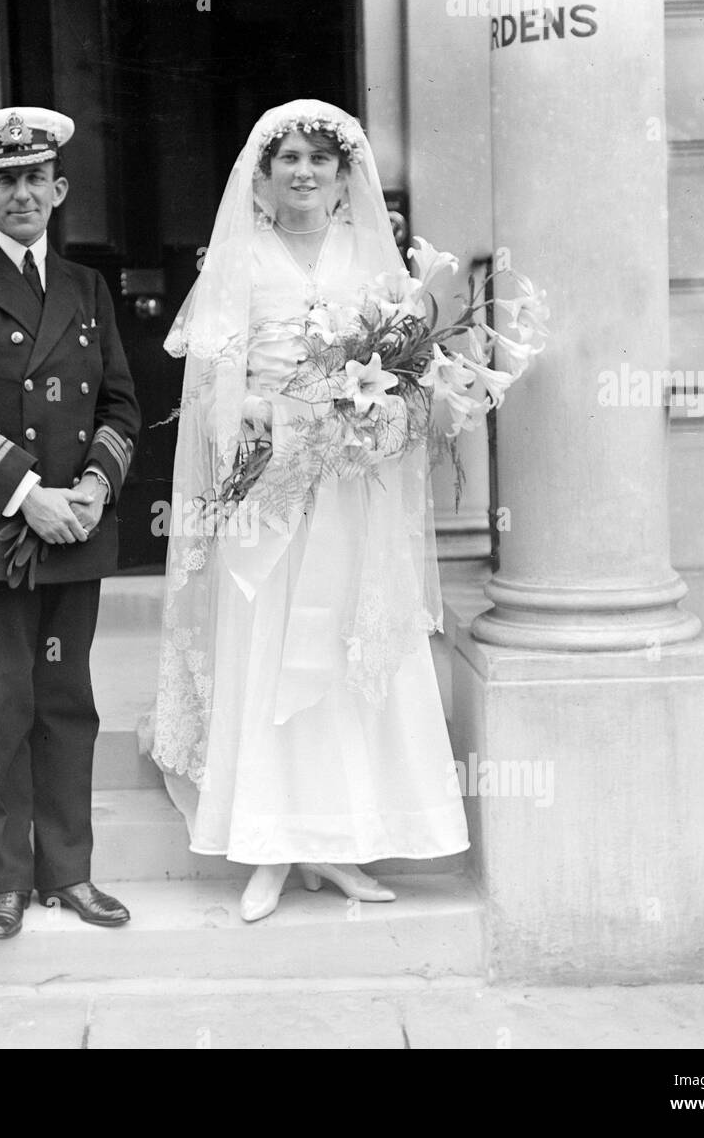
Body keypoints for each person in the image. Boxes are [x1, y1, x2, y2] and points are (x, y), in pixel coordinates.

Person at [151, 100, 470, 922]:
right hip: (270, 489)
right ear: (262, 178)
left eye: (318, 160)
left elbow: (412, 372)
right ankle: (270, 843)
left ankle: (338, 844)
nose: (302, 171)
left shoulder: (375, 262)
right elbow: (210, 380)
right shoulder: (241, 260)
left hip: (353, 487)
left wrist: (380, 414)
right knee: (269, 651)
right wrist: (257, 410)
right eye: (287, 158)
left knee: (341, 652)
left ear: (342, 175)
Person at [0, 107, 140, 940]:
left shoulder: (86, 289)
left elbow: (121, 403)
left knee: (67, 699)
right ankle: (9, 878)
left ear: (60, 188)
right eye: (3, 179)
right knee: (5, 702)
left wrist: (90, 489)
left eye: (35, 177)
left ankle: (69, 872)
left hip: (74, 527)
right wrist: (28, 493)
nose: (21, 193)